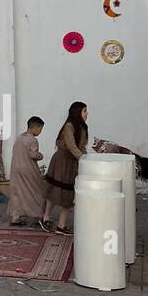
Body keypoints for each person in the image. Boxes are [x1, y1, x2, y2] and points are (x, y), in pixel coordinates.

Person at [42, 101, 88, 235]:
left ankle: (61, 225)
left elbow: (81, 147)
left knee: (69, 194)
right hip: (62, 161)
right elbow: (72, 146)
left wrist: (87, 158)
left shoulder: (83, 127)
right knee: (54, 190)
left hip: (72, 162)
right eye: (84, 110)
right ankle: (46, 218)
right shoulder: (69, 126)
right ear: (77, 112)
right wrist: (83, 159)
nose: (87, 114)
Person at [7, 116, 47, 226]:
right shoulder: (33, 140)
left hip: (15, 168)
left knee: (17, 193)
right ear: (35, 128)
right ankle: (39, 215)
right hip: (28, 169)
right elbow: (33, 154)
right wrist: (41, 155)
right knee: (36, 190)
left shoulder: (19, 137)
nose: (40, 131)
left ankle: (15, 217)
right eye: (40, 129)